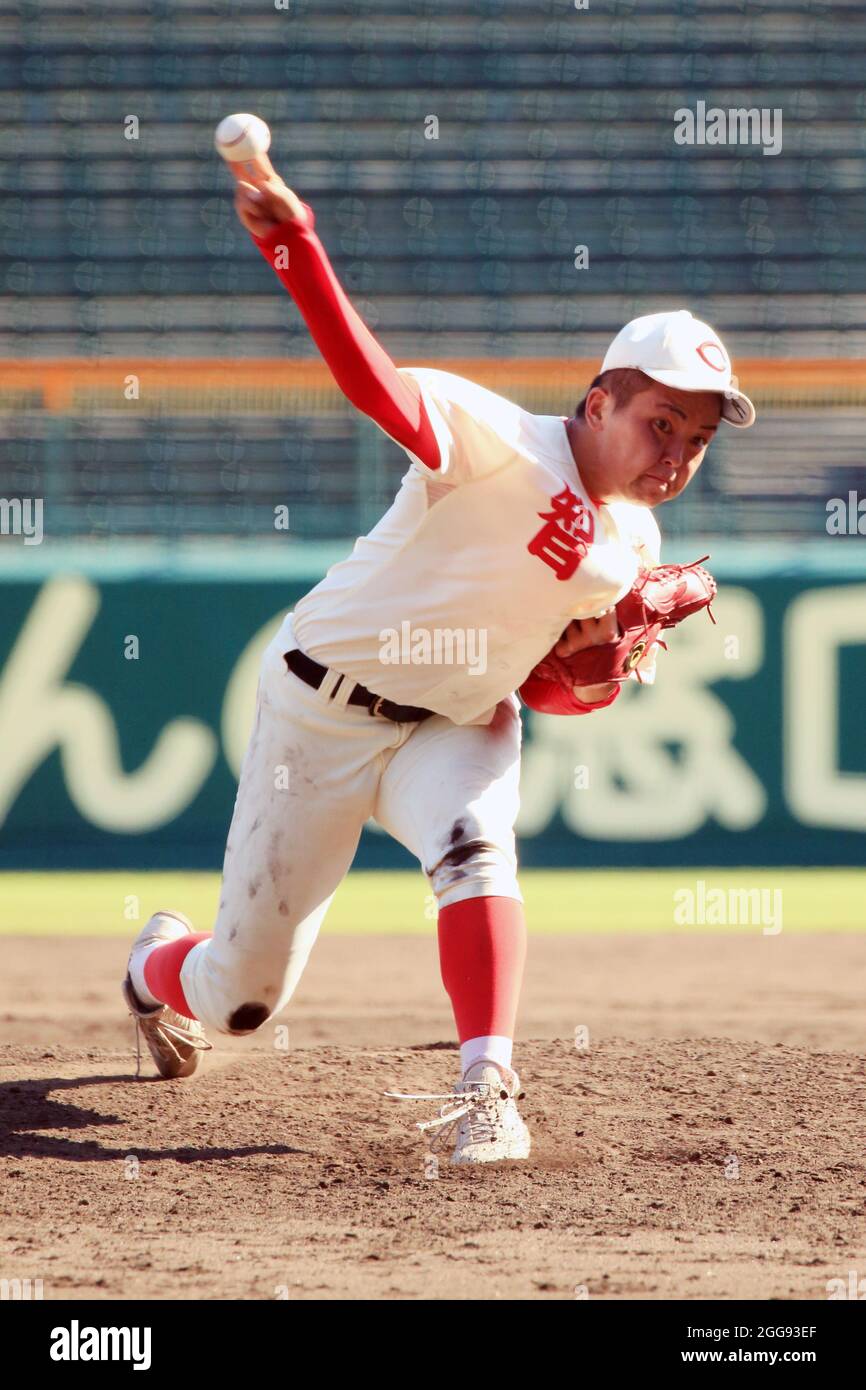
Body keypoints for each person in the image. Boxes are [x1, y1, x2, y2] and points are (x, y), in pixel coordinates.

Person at [121, 171, 755, 1165]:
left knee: (477, 851)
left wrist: (591, 673)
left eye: (697, 439)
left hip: (456, 720)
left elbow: (551, 686)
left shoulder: (636, 540)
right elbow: (370, 383)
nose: (675, 452)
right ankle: (153, 964)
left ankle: (485, 1089)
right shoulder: (493, 439)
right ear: (598, 402)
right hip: (318, 711)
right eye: (659, 422)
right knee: (238, 997)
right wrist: (296, 248)